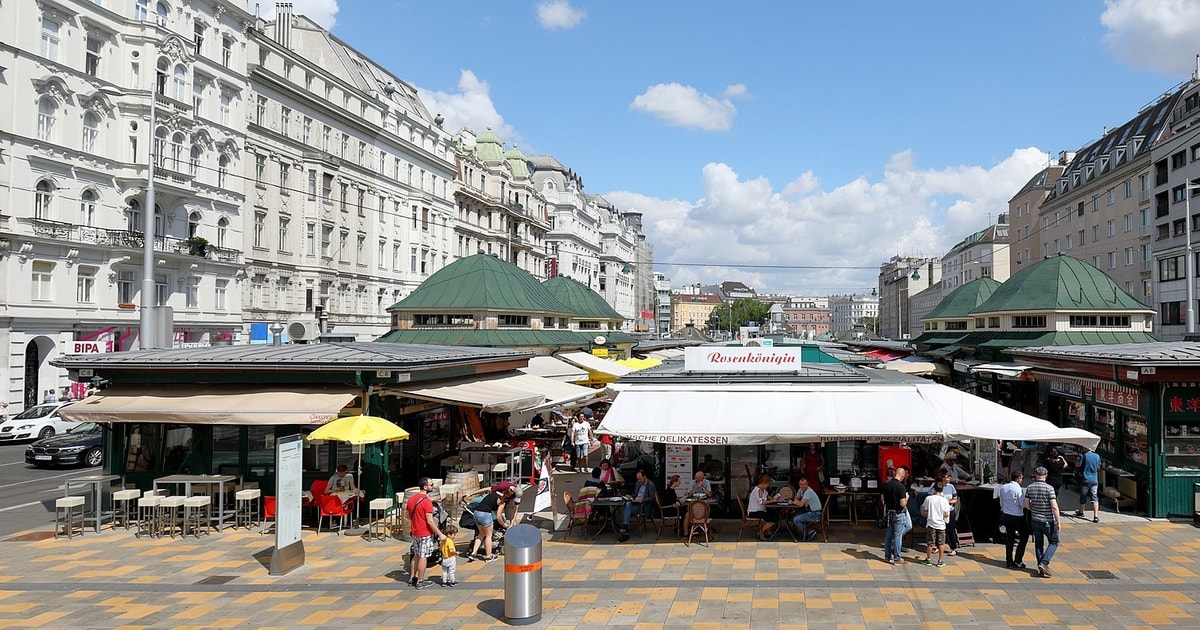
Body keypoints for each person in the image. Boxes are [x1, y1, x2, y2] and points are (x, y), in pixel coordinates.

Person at [407, 477, 447, 589]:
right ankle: (420, 581)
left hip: (414, 531)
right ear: (425, 487)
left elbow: (406, 515)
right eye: (431, 485)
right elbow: (430, 521)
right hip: (424, 533)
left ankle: (412, 578)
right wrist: (440, 534)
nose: (433, 486)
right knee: (423, 557)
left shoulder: (411, 499)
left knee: (416, 555)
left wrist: (416, 521)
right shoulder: (426, 502)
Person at [1024, 466, 1061, 578]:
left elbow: (1026, 504)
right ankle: (1044, 563)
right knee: (1054, 541)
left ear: (1035, 475)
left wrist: (1034, 510)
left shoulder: (1030, 487)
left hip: (1035, 519)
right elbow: (1054, 506)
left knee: (1038, 544)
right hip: (1048, 520)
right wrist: (1058, 521)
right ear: (1046, 475)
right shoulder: (1049, 488)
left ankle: (1041, 567)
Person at [467, 485, 515, 563]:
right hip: (485, 515)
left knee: (481, 534)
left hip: (476, 513)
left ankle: (473, 553)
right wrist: (504, 525)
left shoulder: (494, 493)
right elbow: (499, 516)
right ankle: (489, 556)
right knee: (488, 536)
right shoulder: (503, 501)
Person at [996, 470, 1029, 570]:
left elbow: (1001, 502)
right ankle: (1018, 559)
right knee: (1024, 535)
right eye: (1022, 478)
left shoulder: (1003, 487)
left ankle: (1009, 560)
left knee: (1010, 538)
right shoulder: (1018, 489)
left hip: (1006, 514)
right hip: (1017, 515)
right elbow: (1021, 503)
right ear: (1018, 478)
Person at [882, 465, 912, 565]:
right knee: (897, 536)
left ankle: (887, 556)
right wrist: (907, 498)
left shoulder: (887, 484)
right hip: (899, 513)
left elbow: (882, 498)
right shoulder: (901, 487)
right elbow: (902, 504)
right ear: (902, 476)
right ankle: (897, 558)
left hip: (889, 513)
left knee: (888, 535)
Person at [920, 481, 951, 567]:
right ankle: (940, 560)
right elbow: (946, 513)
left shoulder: (929, 499)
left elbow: (925, 509)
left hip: (931, 523)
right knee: (941, 543)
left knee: (930, 542)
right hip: (941, 524)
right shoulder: (944, 500)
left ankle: (928, 559)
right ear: (942, 489)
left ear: (934, 489)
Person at [619, 469, 657, 539]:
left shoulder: (651, 485)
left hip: (644, 505)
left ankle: (625, 528)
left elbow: (652, 498)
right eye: (638, 479)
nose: (639, 480)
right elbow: (636, 494)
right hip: (635, 502)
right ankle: (625, 528)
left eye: (640, 479)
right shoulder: (638, 483)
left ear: (645, 477)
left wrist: (642, 500)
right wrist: (631, 496)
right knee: (627, 504)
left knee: (626, 511)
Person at [744, 474, 778, 540]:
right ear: (763, 483)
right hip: (754, 512)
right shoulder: (757, 490)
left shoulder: (763, 490)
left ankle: (768, 531)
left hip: (760, 510)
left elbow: (769, 497)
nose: (768, 486)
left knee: (775, 515)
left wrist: (776, 498)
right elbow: (762, 502)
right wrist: (773, 500)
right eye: (767, 484)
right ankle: (761, 532)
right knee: (772, 519)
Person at [790, 477, 823, 542]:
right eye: (801, 484)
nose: (803, 486)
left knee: (796, 519)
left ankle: (809, 532)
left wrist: (793, 502)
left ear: (807, 484)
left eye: (804, 484)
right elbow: (796, 497)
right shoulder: (801, 490)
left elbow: (800, 504)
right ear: (799, 485)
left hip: (815, 514)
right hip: (810, 511)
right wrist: (796, 500)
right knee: (794, 515)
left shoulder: (809, 491)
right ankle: (802, 533)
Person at [936, 469, 960, 555]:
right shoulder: (937, 486)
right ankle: (937, 546)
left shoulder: (951, 487)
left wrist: (948, 502)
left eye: (949, 477)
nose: (949, 478)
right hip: (939, 511)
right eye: (947, 477)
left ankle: (953, 547)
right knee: (938, 528)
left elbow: (955, 499)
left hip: (950, 510)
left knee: (950, 528)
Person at [1075, 446, 1101, 523]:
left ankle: (1081, 511)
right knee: (1094, 496)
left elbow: (1078, 465)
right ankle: (1096, 516)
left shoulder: (1083, 456)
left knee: (1083, 495)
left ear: (1085, 449)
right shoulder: (1097, 456)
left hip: (1086, 478)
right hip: (1094, 479)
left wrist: (1077, 460)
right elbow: (1098, 467)